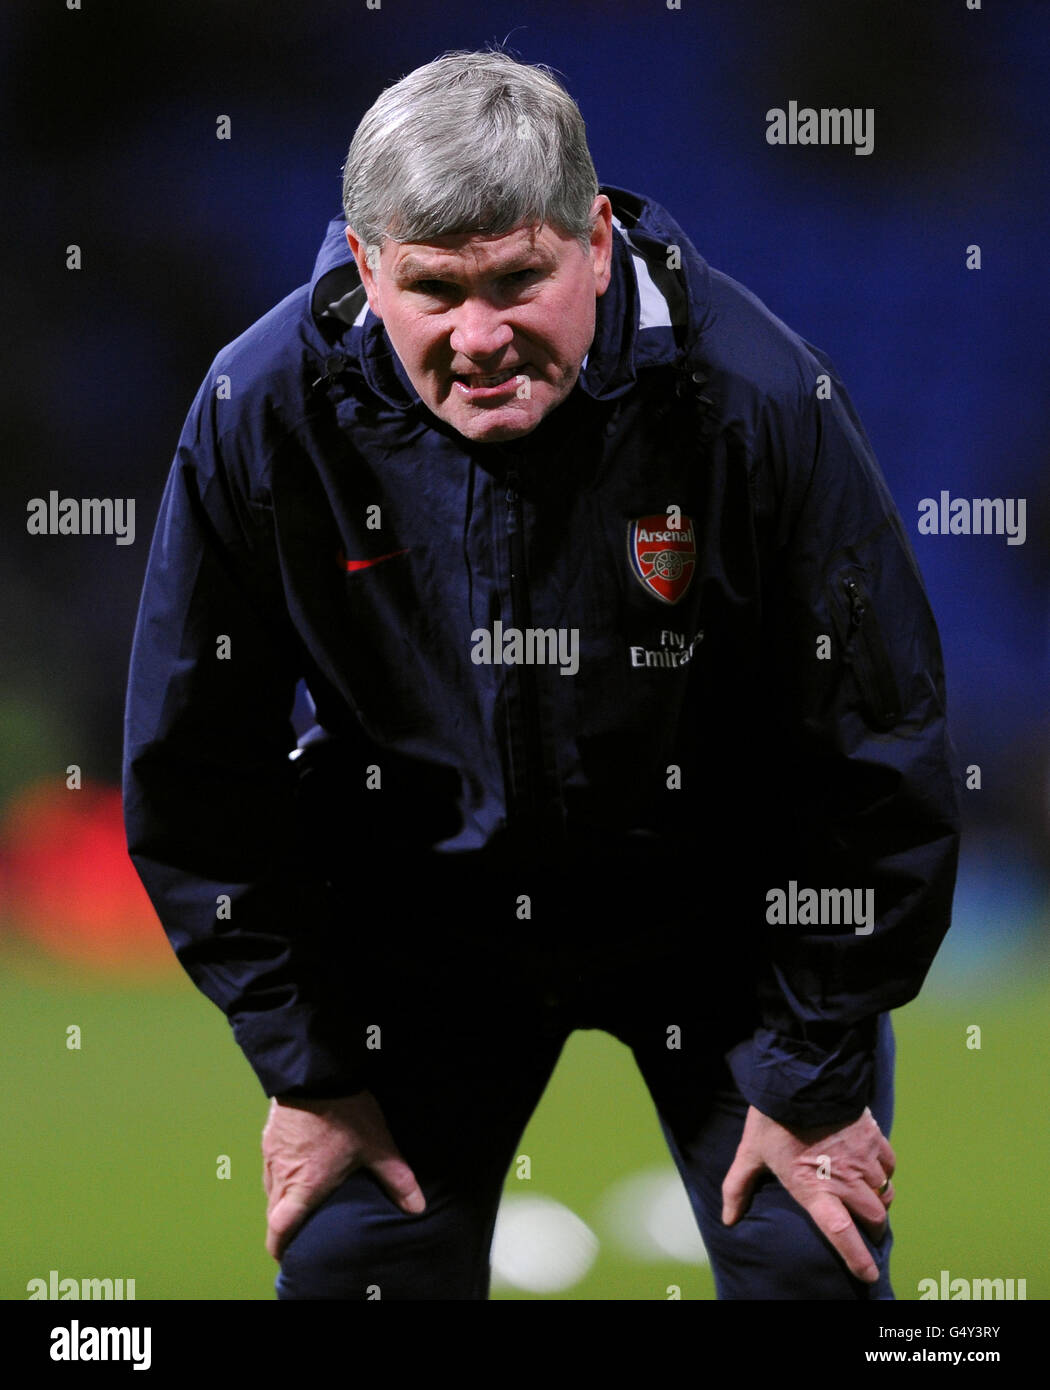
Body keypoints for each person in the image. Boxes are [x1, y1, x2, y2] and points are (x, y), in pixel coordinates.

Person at [123, 49, 961, 1300]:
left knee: (810, 1265)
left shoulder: (758, 400)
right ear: (365, 265)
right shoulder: (261, 411)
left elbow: (878, 749)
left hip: (725, 925)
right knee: (354, 1268)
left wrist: (814, 1076)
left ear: (598, 243)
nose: (480, 338)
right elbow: (194, 768)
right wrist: (307, 1065)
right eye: (434, 290)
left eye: (519, 280)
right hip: (413, 928)